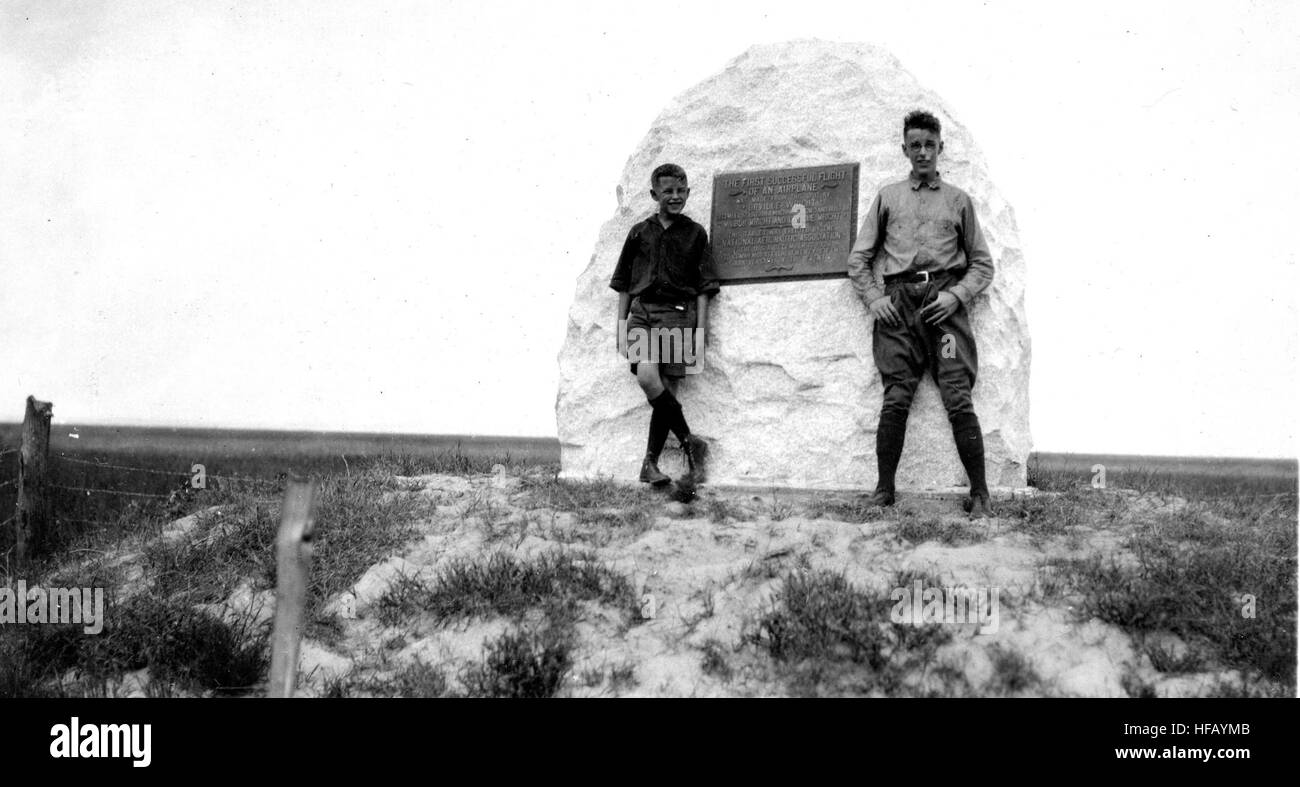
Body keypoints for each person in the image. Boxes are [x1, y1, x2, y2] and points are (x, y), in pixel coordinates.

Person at [847, 110, 996, 518]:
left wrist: (957, 296)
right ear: (905, 150)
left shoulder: (958, 201)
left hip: (943, 305)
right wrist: (875, 299)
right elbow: (859, 259)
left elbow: (983, 264)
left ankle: (980, 493)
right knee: (896, 394)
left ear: (940, 147)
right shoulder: (888, 197)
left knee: (957, 395)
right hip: (899, 306)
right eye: (915, 145)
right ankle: (884, 490)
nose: (923, 152)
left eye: (930, 144)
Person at [609, 163, 718, 489]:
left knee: (668, 390)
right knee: (646, 375)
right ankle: (690, 443)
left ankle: (649, 464)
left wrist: (700, 330)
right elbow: (625, 282)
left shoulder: (695, 233)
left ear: (688, 192)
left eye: (680, 191)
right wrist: (620, 326)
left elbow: (703, 288)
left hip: (678, 314)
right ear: (654, 194)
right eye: (668, 191)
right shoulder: (639, 232)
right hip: (643, 314)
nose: (675, 197)